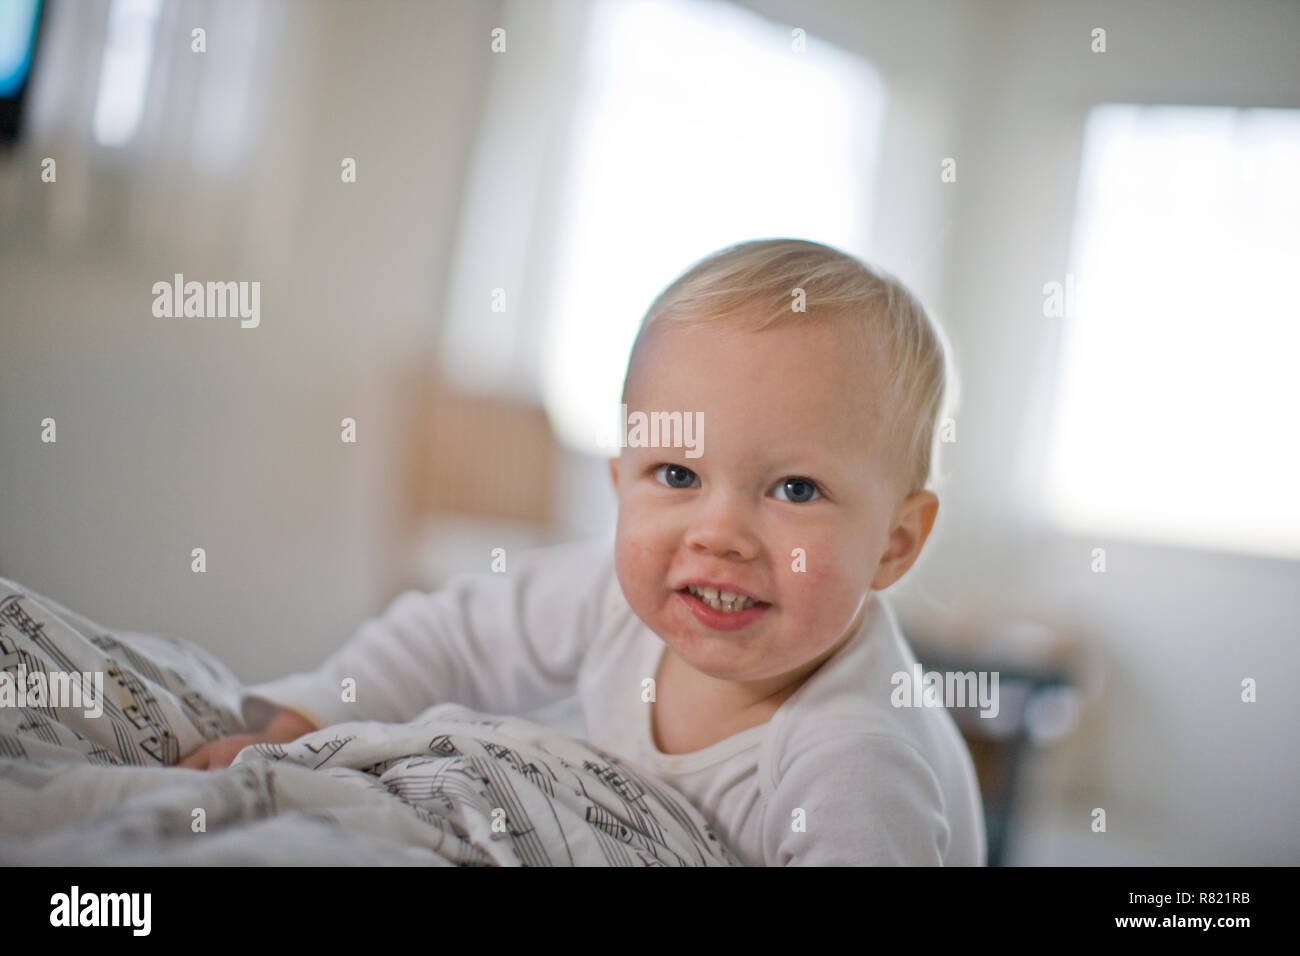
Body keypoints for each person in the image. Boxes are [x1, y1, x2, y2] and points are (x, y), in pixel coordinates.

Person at [180, 238, 986, 866]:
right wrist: (305, 719)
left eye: (795, 491)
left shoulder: (857, 762)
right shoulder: (608, 589)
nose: (720, 534)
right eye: (676, 474)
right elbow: (455, 634)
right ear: (620, 483)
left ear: (896, 544)